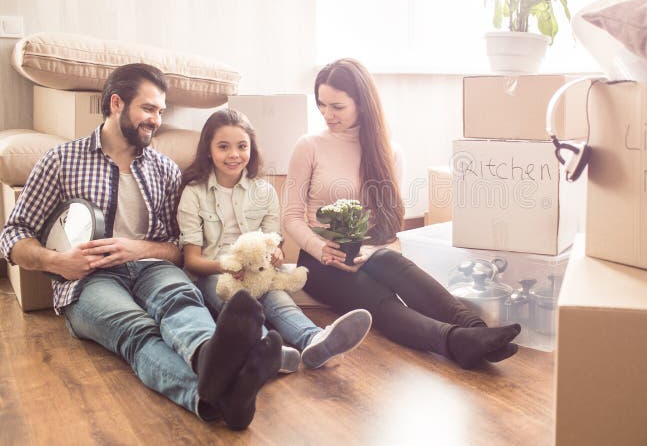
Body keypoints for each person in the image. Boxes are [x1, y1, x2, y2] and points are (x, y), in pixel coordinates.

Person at [0, 64, 280, 430]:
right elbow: (12, 234)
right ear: (116, 103)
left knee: (180, 300)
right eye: (149, 109)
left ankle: (209, 359)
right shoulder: (60, 161)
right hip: (88, 280)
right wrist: (57, 261)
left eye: (161, 111)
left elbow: (178, 248)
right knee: (138, 330)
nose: (156, 120)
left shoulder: (163, 169)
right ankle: (216, 397)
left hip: (151, 267)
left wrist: (137, 249)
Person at [283, 58, 521, 369]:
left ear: (362, 104)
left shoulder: (388, 152)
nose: (327, 114)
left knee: (390, 260)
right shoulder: (309, 146)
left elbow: (387, 222)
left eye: (337, 106)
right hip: (320, 263)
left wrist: (369, 252)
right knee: (377, 296)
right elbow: (291, 217)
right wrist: (321, 248)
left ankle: (475, 331)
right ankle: (454, 341)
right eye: (322, 104)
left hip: (367, 252)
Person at [177, 109, 373, 371]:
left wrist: (276, 255)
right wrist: (230, 267)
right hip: (216, 273)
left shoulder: (264, 191)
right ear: (208, 150)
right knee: (239, 305)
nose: (234, 154)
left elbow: (273, 245)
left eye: (242, 146)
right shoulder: (194, 193)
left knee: (279, 300)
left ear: (251, 148)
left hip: (259, 271)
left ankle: (315, 340)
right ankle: (263, 349)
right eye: (223, 147)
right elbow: (192, 262)